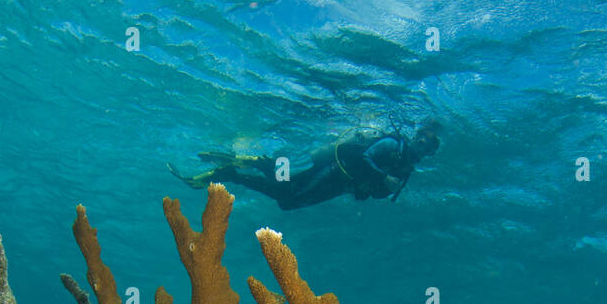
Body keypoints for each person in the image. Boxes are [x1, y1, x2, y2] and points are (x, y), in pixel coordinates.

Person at [167, 121, 440, 211]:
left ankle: (242, 169)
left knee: (287, 199)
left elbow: (381, 195)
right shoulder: (393, 146)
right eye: (420, 139)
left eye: (427, 146)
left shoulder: (406, 169)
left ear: (429, 153)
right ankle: (243, 168)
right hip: (336, 169)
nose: (421, 145)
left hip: (342, 185)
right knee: (287, 194)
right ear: (415, 136)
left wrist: (383, 186)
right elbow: (362, 158)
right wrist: (382, 176)